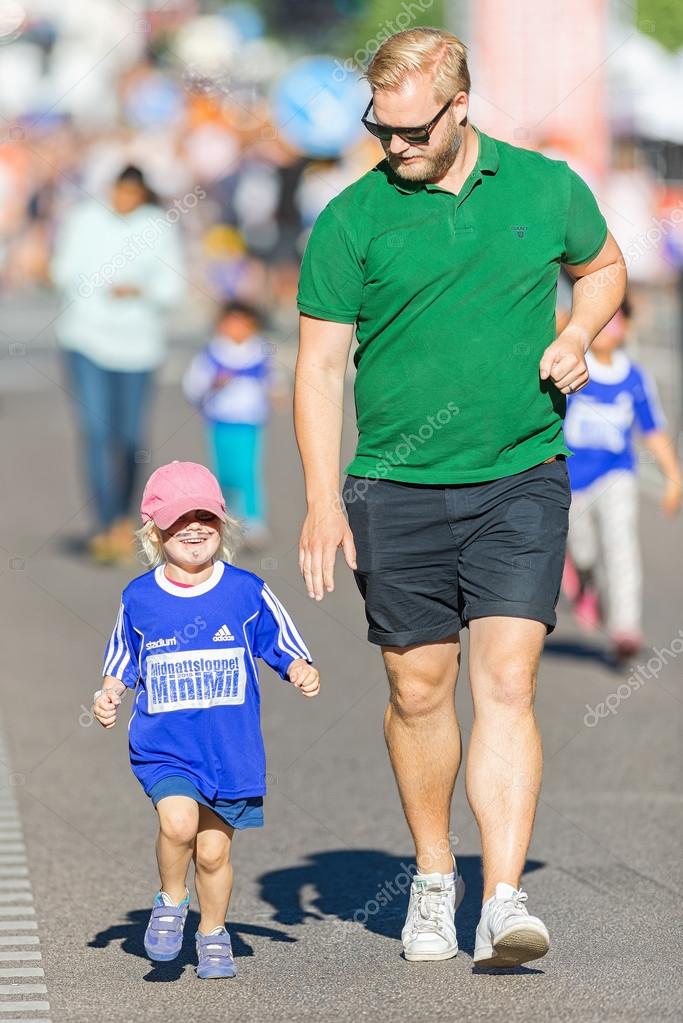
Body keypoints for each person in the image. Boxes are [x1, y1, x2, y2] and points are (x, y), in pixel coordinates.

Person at [294, 27, 626, 967]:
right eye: (378, 129)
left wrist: (578, 332)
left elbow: (602, 269)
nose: (391, 147)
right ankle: (434, 878)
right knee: (417, 686)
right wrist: (322, 499)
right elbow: (318, 369)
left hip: (521, 473)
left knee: (509, 681)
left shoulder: (543, 186)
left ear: (459, 106)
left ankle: (504, 895)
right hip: (393, 487)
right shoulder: (350, 219)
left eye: (408, 131)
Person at [92, 461, 319, 978]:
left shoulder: (245, 591)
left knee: (214, 854)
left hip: (230, 749)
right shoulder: (140, 597)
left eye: (207, 517)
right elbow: (122, 658)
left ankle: (213, 931)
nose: (194, 528)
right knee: (178, 823)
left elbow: (278, 642)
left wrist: (299, 667)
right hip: (165, 745)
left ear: (223, 524)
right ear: (154, 531)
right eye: (179, 519)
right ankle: (172, 899)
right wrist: (109, 694)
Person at [51, 165, 185, 565]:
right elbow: (60, 270)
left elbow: (173, 286)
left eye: (132, 193)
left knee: (128, 437)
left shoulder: (158, 226)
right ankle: (104, 524)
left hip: (138, 345)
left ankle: (124, 517)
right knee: (95, 432)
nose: (124, 200)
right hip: (86, 339)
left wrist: (139, 288)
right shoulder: (82, 220)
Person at [562, 297, 682, 661]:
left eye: (616, 321)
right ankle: (583, 578)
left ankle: (625, 627)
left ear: (627, 328)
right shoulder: (570, 373)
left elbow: (654, 431)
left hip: (616, 475)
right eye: (603, 319)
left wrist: (673, 476)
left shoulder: (634, 379)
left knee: (622, 544)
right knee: (581, 547)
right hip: (572, 482)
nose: (608, 327)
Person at [182, 301, 284, 548]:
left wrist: (278, 396)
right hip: (220, 422)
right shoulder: (211, 354)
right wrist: (214, 385)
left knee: (247, 471)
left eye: (243, 323)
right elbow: (192, 386)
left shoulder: (260, 351)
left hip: (249, 422)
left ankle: (253, 521)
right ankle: (224, 517)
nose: (237, 328)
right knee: (224, 472)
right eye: (231, 322)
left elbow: (274, 380)